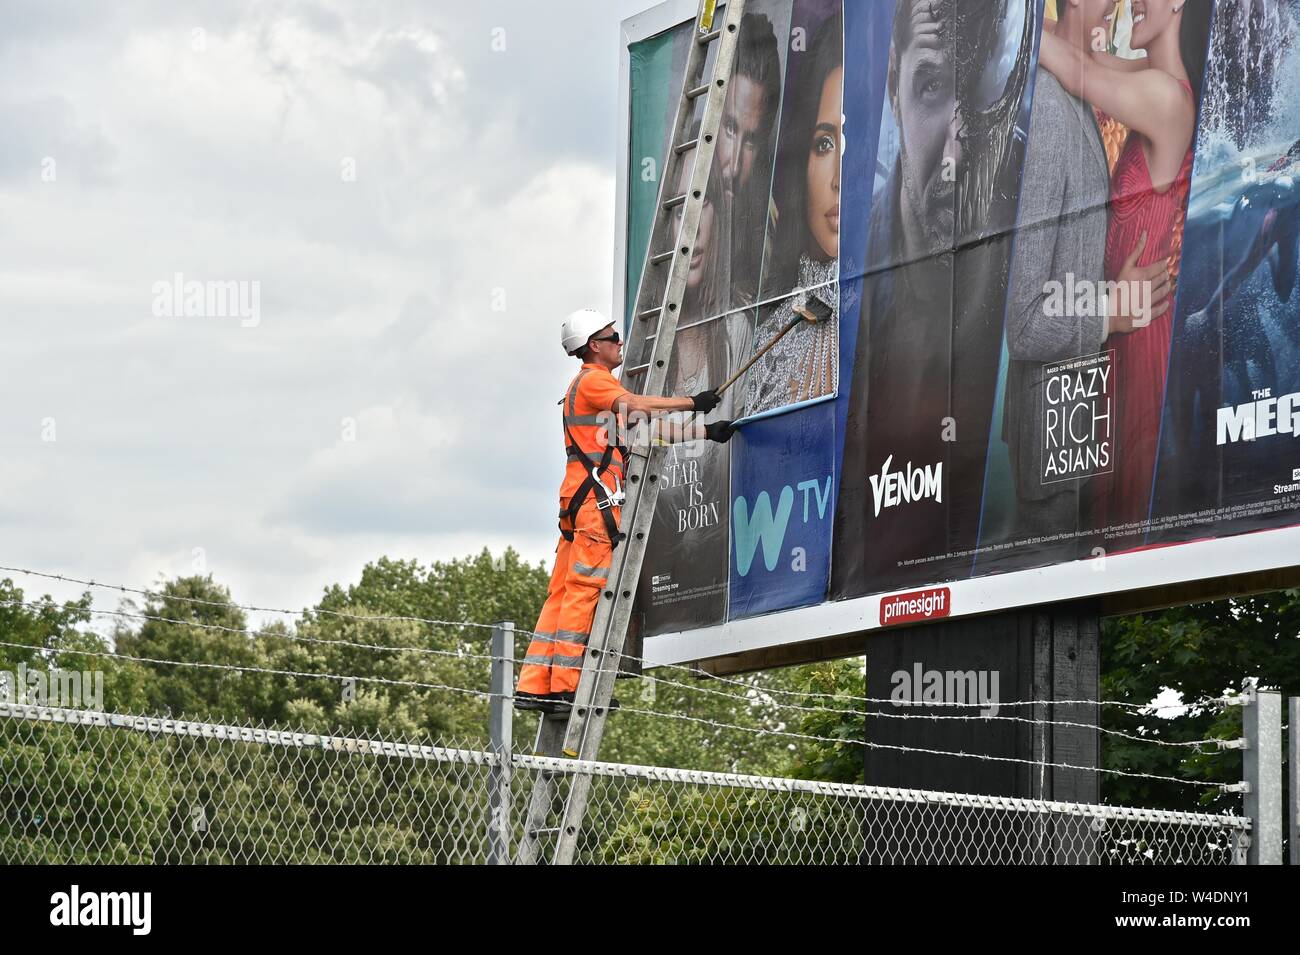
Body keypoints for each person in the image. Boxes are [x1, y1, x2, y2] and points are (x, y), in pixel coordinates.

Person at [1001, 0, 1170, 549]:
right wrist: (1111, 311)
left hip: (1075, 429)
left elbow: (1064, 258)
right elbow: (1023, 322)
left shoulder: (1075, 92)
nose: (1118, 5)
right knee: (1040, 630)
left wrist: (1108, 283)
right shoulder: (1050, 109)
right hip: (1052, 441)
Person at [514, 309, 735, 713]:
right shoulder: (596, 381)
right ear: (593, 346)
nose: (620, 343)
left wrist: (706, 431)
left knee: (562, 594)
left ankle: (533, 684)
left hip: (577, 503)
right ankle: (565, 689)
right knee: (583, 596)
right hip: (594, 507)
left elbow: (643, 431)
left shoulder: (590, 389)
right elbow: (636, 406)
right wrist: (692, 402)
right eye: (613, 338)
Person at [1038, 0, 1201, 536]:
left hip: (1141, 330)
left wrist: (1012, 36)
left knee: (1125, 506)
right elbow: (1080, 54)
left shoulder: (1164, 96)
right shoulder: (1149, 77)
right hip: (1123, 319)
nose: (1133, 4)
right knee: (1107, 505)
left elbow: (1074, 69)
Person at [746, 9, 842, 417]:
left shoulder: (909, 320)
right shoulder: (769, 340)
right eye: (824, 145)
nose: (839, 177)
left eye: (857, 142)